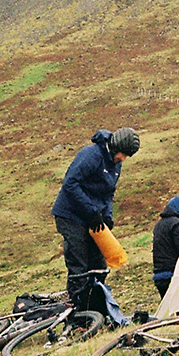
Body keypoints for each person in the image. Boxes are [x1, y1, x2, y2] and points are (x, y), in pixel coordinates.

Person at [52, 127, 140, 315]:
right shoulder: (91, 155)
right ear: (115, 146)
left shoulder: (116, 164)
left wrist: (106, 215)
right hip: (71, 215)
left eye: (127, 156)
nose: (123, 159)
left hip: (92, 219)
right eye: (122, 154)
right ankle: (78, 315)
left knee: (99, 266)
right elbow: (70, 184)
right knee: (80, 264)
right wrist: (92, 212)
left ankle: (97, 313)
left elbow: (108, 193)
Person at [151, 195, 179, 299]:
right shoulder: (176, 224)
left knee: (167, 308)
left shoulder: (159, 224)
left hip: (159, 274)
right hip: (172, 272)